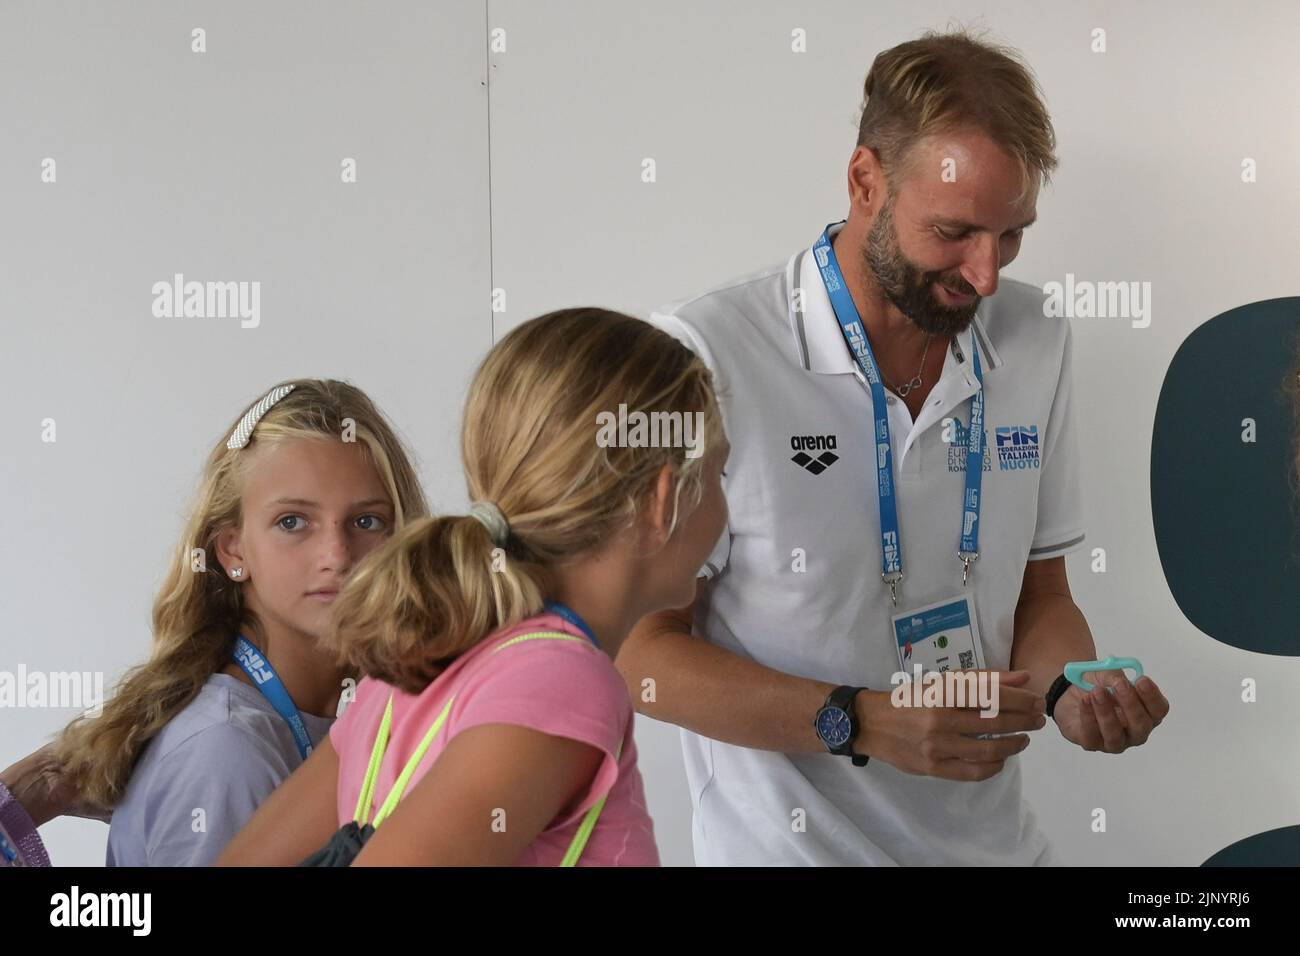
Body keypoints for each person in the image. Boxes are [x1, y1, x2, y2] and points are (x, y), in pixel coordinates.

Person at [616, 28, 1170, 866]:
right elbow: (635, 654)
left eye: (1012, 234)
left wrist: (1070, 691)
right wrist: (860, 719)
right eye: (954, 232)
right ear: (865, 180)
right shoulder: (710, 353)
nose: (986, 276)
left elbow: (1042, 596)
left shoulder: (1036, 335)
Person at [219, 308, 726, 866]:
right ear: (662, 501)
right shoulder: (563, 682)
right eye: (719, 475)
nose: (726, 509)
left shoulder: (416, 663)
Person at [1, 379, 428, 866]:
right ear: (233, 550)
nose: (336, 555)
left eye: (367, 522)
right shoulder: (227, 750)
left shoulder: (364, 707)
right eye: (293, 522)